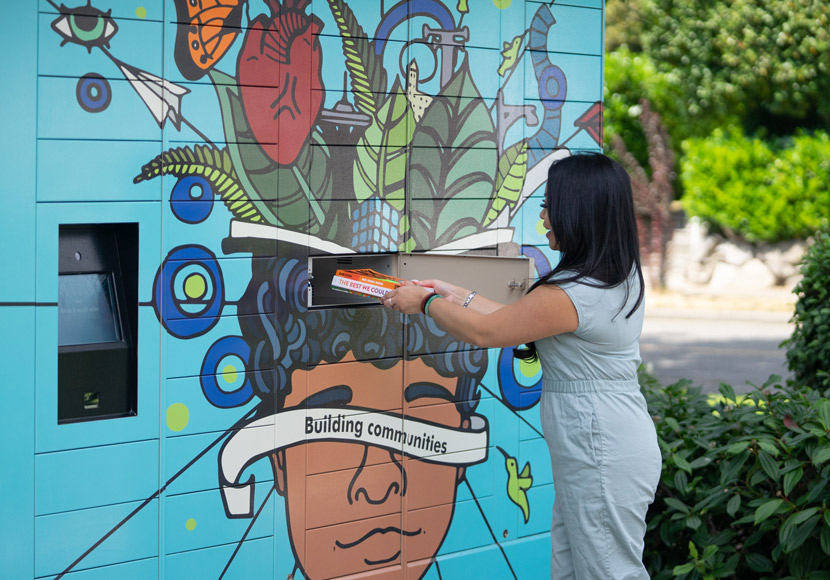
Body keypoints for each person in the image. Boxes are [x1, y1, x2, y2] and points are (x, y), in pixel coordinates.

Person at [380, 152, 662, 579]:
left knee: (609, 572)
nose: (543, 215)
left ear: (578, 210)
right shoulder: (609, 277)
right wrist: (454, 293)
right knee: (572, 569)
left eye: (549, 204)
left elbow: (486, 334)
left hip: (601, 447)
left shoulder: (576, 293)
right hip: (605, 441)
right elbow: (510, 320)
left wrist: (427, 303)